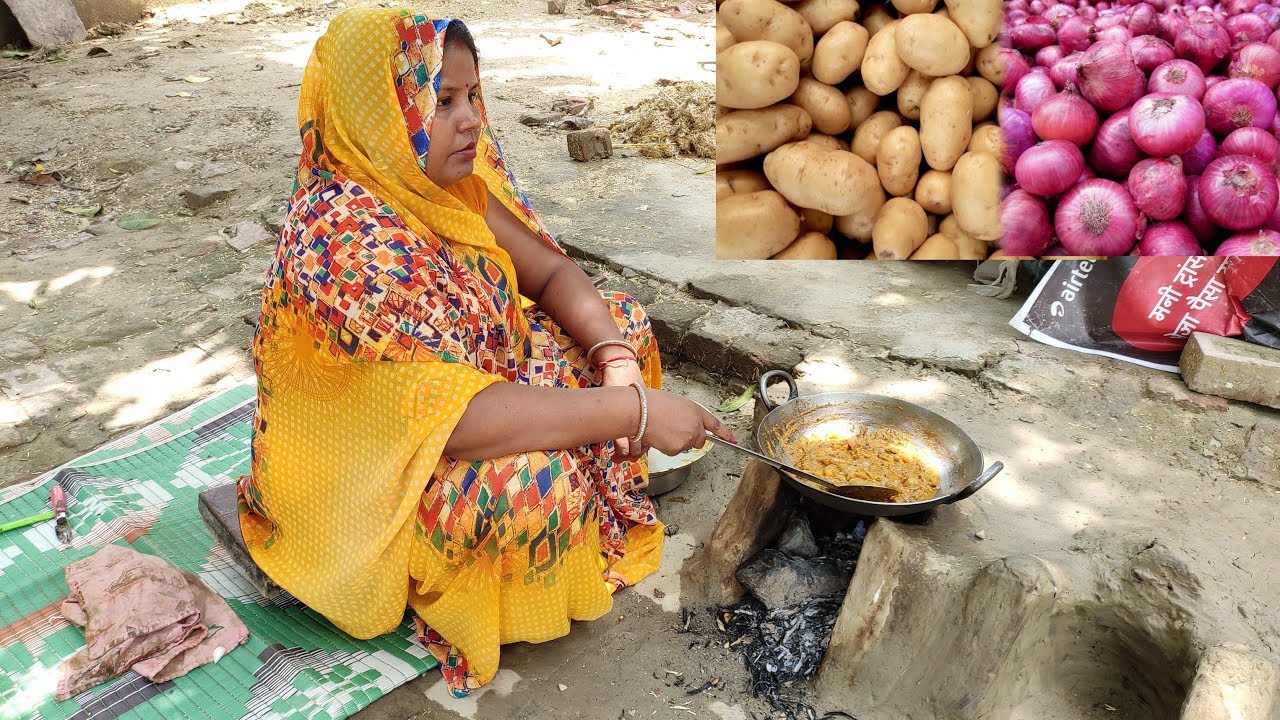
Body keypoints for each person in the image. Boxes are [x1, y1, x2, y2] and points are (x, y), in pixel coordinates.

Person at [235, 8, 734, 697]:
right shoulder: (345, 236)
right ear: (381, 108)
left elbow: (553, 274)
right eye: (442, 101)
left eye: (472, 96)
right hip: (370, 475)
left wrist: (618, 362)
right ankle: (450, 585)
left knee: (619, 322)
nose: (471, 119)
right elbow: (459, 425)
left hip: (467, 391)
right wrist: (632, 410)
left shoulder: (447, 186)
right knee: (532, 494)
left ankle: (592, 453)